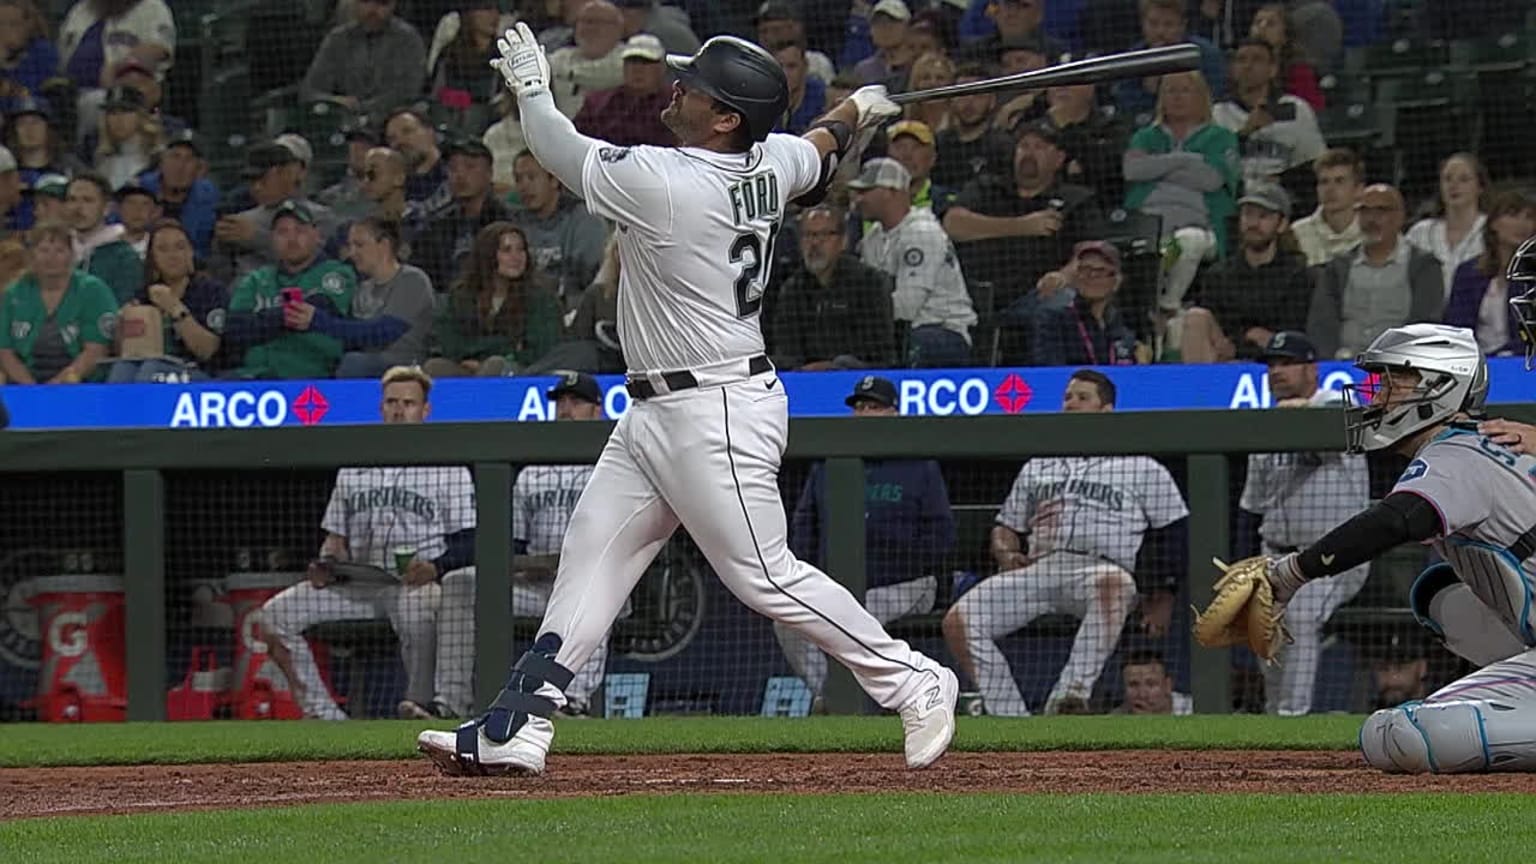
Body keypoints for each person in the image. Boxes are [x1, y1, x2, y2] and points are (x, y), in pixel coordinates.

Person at [418, 30, 958, 776]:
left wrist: (533, 91)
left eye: (694, 86)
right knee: (590, 560)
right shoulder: (770, 162)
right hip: (658, 409)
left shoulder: (667, 180)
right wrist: (856, 107)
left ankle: (913, 677)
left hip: (716, 408)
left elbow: (555, 148)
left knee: (763, 574)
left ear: (727, 117)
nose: (677, 90)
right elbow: (821, 146)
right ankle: (522, 721)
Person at [1219, 323, 1536, 773]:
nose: (1375, 395)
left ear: (1439, 387)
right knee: (1440, 597)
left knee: (1407, 736)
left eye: (1392, 381)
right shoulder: (1487, 444)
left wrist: (1287, 574)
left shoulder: (1457, 455)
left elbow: (1395, 520)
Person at [942, 370, 1188, 716]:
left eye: (1082, 397)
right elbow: (1005, 526)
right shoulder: (1040, 464)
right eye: (1067, 397)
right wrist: (1007, 551)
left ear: (1106, 410)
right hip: (1040, 567)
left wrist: (1163, 596)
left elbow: (1175, 534)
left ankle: (1067, 701)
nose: (1070, 403)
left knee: (1113, 585)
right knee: (959, 621)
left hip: (1101, 569)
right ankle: (1010, 717)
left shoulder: (1140, 465)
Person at [258, 365, 475, 720]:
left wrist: (436, 567)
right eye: (391, 402)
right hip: (359, 585)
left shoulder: (447, 465)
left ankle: (420, 706)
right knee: (274, 616)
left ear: (425, 411)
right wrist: (326, 562)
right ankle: (325, 717)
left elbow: (469, 539)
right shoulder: (356, 464)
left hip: (416, 585)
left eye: (408, 402)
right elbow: (336, 539)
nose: (398, 409)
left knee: (417, 614)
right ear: (380, 408)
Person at [432, 371, 616, 719]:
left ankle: (573, 702)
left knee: (597, 589)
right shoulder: (532, 468)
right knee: (459, 582)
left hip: (598, 580)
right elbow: (513, 542)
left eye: (576, 402)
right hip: (538, 584)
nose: (566, 409)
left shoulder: (611, 462)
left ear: (597, 410)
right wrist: (521, 565)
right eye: (561, 402)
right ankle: (449, 703)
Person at [779, 375, 955, 704]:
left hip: (908, 582)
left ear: (894, 413)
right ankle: (831, 699)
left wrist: (895, 564)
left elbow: (941, 536)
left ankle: (865, 698)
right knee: (788, 622)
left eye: (875, 406)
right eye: (860, 406)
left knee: (856, 612)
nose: (864, 413)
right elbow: (804, 529)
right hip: (840, 583)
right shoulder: (826, 464)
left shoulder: (919, 464)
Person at [1238, 331, 1369, 715]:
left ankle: (1292, 717)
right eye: (1272, 366)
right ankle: (1274, 713)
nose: (1277, 372)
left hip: (1333, 557)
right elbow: (1253, 505)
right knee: (1262, 625)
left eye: (1287, 363)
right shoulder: (1264, 429)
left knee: (1299, 615)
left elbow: (1331, 431)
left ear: (1311, 369)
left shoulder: (1336, 404)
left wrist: (1290, 415)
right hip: (1275, 554)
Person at [944, 122, 1102, 318]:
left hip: (1036, 296)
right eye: (1024, 146)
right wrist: (1023, 225)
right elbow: (952, 224)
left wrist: (1063, 276)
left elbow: (1091, 252)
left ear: (1059, 159)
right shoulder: (987, 187)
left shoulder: (1076, 199)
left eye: (1039, 147)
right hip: (969, 295)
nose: (1029, 153)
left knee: (1063, 301)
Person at [1123, 71, 1241, 317]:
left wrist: (1158, 168)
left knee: (1189, 240)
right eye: (1170, 90)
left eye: (1184, 90)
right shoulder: (1146, 135)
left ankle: (1167, 306)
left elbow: (1210, 180)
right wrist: (1186, 160)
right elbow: (1133, 170)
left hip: (1202, 229)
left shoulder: (1221, 137)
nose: (1177, 97)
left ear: (1201, 96)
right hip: (1153, 230)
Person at [850, 157, 977, 368]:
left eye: (866, 192)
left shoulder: (922, 233)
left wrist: (861, 318)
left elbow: (907, 307)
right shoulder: (873, 238)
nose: (858, 199)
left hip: (944, 332)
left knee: (913, 342)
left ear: (892, 192)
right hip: (898, 333)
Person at [222, 200, 358, 380]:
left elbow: (319, 305)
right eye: (282, 232)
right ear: (272, 239)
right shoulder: (256, 279)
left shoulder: (336, 273)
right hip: (254, 378)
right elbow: (233, 331)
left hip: (312, 378)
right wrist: (285, 317)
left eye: (300, 230)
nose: (292, 239)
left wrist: (260, 322)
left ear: (316, 235)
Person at [1307, 183, 1443, 361]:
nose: (1371, 219)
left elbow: (1426, 325)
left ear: (1400, 217)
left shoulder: (1424, 266)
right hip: (1342, 365)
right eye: (1364, 211)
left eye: (1381, 211)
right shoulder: (1338, 268)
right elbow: (1321, 325)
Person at [1182, 184, 1314, 362]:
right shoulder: (1218, 274)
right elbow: (1219, 329)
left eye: (1263, 216)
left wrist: (1241, 345)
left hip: (1278, 359)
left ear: (1281, 224)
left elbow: (1291, 332)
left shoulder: (1297, 275)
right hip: (1223, 358)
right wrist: (1246, 339)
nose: (1253, 223)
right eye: (1248, 214)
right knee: (1195, 317)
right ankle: (1201, 389)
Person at [425, 221, 563, 377]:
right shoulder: (461, 296)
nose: (516, 257)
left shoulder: (541, 298)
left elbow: (540, 350)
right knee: (434, 367)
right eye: (507, 250)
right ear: (488, 254)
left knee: (494, 365)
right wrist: (502, 348)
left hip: (522, 372)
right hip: (468, 368)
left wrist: (484, 356)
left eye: (521, 250)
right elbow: (449, 343)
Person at [769, 204, 895, 370]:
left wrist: (835, 366)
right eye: (808, 235)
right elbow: (786, 352)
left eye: (824, 235)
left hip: (856, 379)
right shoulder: (792, 289)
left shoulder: (868, 284)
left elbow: (879, 353)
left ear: (843, 241)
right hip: (805, 381)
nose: (814, 243)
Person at [107, 220, 225, 382]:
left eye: (180, 247)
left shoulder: (210, 291)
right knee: (122, 368)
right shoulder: (144, 295)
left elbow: (207, 350)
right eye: (163, 249)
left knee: (152, 370)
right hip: (152, 366)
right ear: (152, 257)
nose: (173, 255)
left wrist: (174, 308)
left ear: (191, 252)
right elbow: (129, 353)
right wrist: (124, 329)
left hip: (199, 372)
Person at [0, 222, 116, 384]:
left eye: (59, 251)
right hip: (25, 385)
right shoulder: (13, 293)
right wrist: (31, 389)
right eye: (44, 250)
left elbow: (95, 350)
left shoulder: (93, 290)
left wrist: (57, 385)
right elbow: (4, 351)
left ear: (71, 255)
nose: (51, 258)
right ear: (31, 255)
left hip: (80, 383)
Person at [1212, 38, 1324, 190]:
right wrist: (1244, 134)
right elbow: (1213, 164)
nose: (1247, 66)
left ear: (1273, 69)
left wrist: (1281, 180)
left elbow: (1315, 163)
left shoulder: (1296, 108)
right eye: (1241, 60)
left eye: (1257, 60)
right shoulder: (1219, 112)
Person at [332, 218, 436, 379]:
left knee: (353, 363)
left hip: (407, 368)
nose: (352, 253)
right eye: (350, 246)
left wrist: (321, 322)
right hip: (367, 364)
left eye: (359, 245)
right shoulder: (362, 289)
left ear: (384, 245)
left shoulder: (412, 279)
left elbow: (384, 332)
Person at [1443, 188, 1536, 358]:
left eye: (1529, 217)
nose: (1522, 224)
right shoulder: (1468, 274)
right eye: (1513, 214)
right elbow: (1456, 329)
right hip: (1475, 364)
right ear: (1493, 223)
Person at [413, 138, 516, 290]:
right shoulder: (437, 224)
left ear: (489, 173)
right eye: (453, 168)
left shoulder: (506, 220)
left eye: (470, 167)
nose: (459, 175)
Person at [508, 149, 610, 303]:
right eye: (518, 179)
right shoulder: (515, 221)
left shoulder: (586, 219)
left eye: (531, 177)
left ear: (554, 179)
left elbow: (587, 278)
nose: (524, 186)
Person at [300, 0, 426, 119]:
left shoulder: (409, 40)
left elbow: (408, 93)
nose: (372, 10)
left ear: (394, 5)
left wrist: (360, 108)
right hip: (343, 121)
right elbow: (309, 92)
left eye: (382, 3)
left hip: (391, 122)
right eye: (365, 1)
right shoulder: (337, 39)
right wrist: (335, 101)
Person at [1029, 241, 1141, 366]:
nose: (1091, 275)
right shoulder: (1054, 317)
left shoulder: (1120, 325)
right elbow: (1051, 372)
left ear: (1116, 281)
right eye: (1085, 269)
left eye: (1100, 270)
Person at [1407, 152, 1490, 301]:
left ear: (1480, 187)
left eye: (1464, 179)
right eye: (1447, 179)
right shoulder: (1420, 232)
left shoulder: (1491, 230)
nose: (1454, 186)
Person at [573, 33, 675, 146]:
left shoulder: (677, 104)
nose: (637, 69)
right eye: (632, 61)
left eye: (646, 62)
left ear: (661, 67)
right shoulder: (597, 104)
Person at [930, 62, 1013, 190]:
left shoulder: (1002, 147)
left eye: (978, 95)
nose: (969, 102)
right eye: (962, 94)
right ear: (951, 99)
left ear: (992, 101)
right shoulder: (938, 144)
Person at [138, 129, 218, 261]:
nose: (180, 166)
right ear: (162, 161)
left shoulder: (209, 195)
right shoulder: (139, 189)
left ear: (199, 168)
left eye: (189, 159)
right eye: (175, 156)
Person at [66, 172, 141, 303]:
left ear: (107, 208)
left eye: (87, 200)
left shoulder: (123, 257)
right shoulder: (55, 249)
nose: (78, 208)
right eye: (72, 200)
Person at [548, 0, 626, 118]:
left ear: (618, 29)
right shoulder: (561, 57)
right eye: (585, 22)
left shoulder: (628, 58)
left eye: (600, 22)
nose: (591, 28)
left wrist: (567, 74)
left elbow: (604, 76)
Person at [1289, 147, 1364, 267]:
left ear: (1358, 190)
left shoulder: (1373, 231)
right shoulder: (1298, 233)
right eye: (1324, 182)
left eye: (1339, 181)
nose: (1330, 189)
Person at [1247, 3, 1325, 110]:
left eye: (1270, 24)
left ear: (1285, 34)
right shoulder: (1240, 64)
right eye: (1257, 22)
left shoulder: (1298, 70)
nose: (1262, 28)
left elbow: (1311, 109)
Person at [0, 0, 59, 101]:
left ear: (29, 25)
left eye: (13, 24)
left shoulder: (43, 51)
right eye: (1, 24)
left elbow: (30, 93)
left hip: (32, 111)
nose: (6, 30)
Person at [1111, 650, 1193, 715]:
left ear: (1168, 685)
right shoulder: (1117, 719)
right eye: (1133, 685)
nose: (1142, 695)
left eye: (1151, 684)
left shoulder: (1194, 711)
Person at [113, 180, 158, 257]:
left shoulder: (158, 248)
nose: (138, 210)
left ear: (154, 212)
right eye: (131, 203)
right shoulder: (103, 243)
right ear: (119, 208)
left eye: (145, 204)